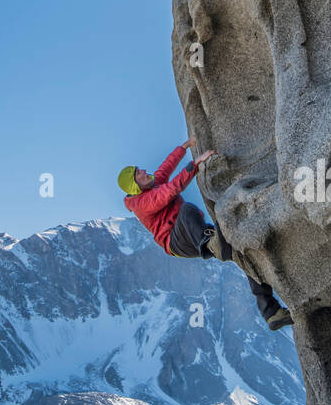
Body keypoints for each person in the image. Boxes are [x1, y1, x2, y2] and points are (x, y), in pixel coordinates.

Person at [118, 139, 293, 330]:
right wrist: (195, 164)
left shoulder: (150, 185)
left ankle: (270, 311)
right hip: (177, 242)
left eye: (139, 169)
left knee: (240, 245)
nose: (143, 171)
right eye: (138, 174)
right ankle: (210, 244)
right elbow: (170, 191)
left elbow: (165, 169)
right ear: (134, 186)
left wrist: (185, 146)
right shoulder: (141, 204)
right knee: (186, 210)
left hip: (194, 233)